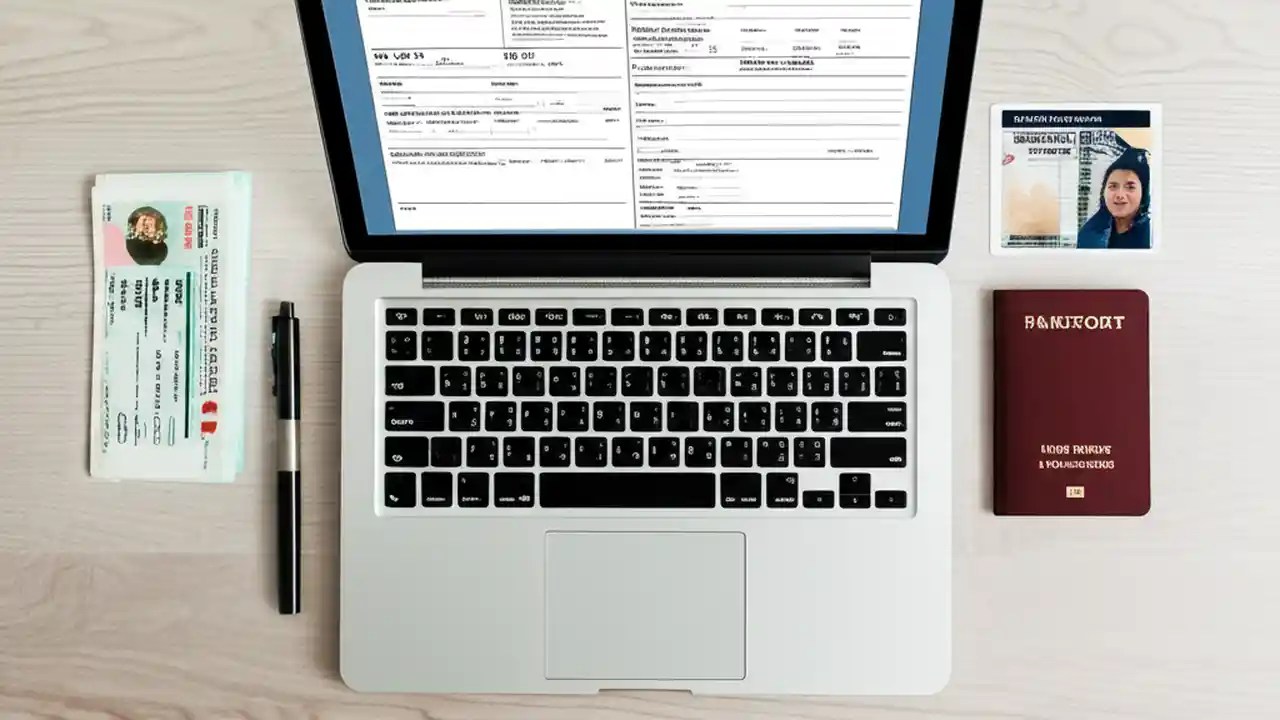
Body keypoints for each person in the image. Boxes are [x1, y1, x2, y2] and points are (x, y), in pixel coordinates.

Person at [1077, 148, 1152, 250]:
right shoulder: (1089, 234)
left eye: (1130, 187)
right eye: (1113, 186)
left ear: (1143, 192)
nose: (1120, 195)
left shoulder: (1153, 236)